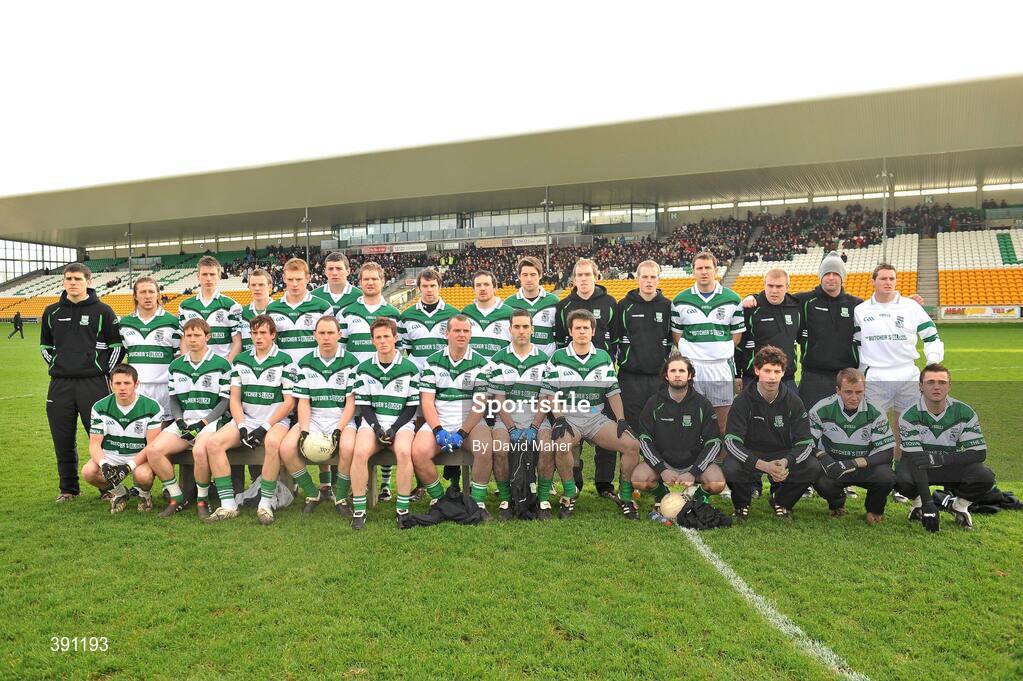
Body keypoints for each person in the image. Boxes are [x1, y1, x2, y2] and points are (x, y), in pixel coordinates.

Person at [542, 309, 642, 519]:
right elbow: (550, 393)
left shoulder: (603, 357)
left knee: (632, 445)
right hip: (569, 417)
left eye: (586, 328)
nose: (582, 331)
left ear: (593, 331)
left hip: (596, 418)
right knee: (561, 445)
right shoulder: (558, 357)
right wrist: (559, 418)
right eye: (577, 328)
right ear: (570, 331)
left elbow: (613, 392)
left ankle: (625, 495)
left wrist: (621, 419)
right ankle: (569, 493)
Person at [134, 318, 233, 519]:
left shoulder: (222, 364)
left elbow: (224, 402)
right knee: (153, 450)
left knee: (199, 451)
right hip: (184, 422)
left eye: (197, 335)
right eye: (189, 335)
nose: (192, 339)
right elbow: (174, 399)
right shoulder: (176, 365)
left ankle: (202, 500)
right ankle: (177, 497)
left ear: (207, 337)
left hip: (210, 423)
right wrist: (179, 421)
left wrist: (202, 423)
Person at [264, 315, 360, 524]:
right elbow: (304, 402)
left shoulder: (351, 361)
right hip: (313, 418)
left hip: (340, 418)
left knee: (348, 448)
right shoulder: (305, 362)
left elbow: (351, 403)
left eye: (330, 333)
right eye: (322, 333)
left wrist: (339, 429)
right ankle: (311, 493)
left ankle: (341, 497)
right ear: (314, 335)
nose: (326, 337)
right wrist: (305, 430)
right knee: (286, 448)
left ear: (339, 334)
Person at [41, 263, 123, 503]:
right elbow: (45, 347)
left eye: (78, 278)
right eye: (68, 278)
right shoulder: (52, 312)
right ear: (63, 282)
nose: (73, 283)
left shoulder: (103, 311)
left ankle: (108, 488)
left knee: (100, 438)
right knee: (62, 438)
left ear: (89, 281)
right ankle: (68, 489)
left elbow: (117, 347)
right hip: (60, 384)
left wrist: (101, 369)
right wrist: (60, 364)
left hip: (93, 383)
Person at [203, 315, 296, 523]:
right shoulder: (241, 360)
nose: (258, 337)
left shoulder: (285, 360)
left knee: (273, 443)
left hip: (276, 421)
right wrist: (243, 426)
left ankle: (265, 504)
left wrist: (264, 428)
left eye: (263, 333)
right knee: (213, 443)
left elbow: (289, 403)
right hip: (247, 419)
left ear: (273, 335)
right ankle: (228, 505)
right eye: (254, 333)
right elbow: (235, 399)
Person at [411, 315, 495, 520]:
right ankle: (441, 501)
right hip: (440, 419)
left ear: (471, 334)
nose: (461, 335)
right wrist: (438, 430)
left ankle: (477, 503)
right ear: (447, 333)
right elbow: (427, 402)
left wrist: (462, 433)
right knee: (418, 452)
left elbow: (479, 405)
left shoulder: (482, 363)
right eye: (457, 330)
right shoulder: (432, 361)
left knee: (484, 449)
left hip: (470, 422)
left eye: (466, 331)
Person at [722, 346, 820, 521]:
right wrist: (762, 465)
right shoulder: (742, 401)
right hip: (752, 452)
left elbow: (806, 443)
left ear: (783, 373)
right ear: (757, 370)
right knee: (730, 466)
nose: (772, 377)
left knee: (812, 466)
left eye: (777, 371)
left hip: (781, 453)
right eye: (767, 371)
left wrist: (786, 461)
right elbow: (731, 442)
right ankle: (742, 504)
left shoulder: (794, 402)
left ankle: (781, 501)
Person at [895, 364, 995, 532]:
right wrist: (927, 503)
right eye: (930, 382)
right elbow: (916, 460)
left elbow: (979, 453)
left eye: (942, 382)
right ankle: (918, 505)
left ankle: (959, 506)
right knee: (899, 479)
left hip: (949, 465)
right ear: (920, 386)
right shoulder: (909, 415)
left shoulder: (964, 412)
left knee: (984, 476)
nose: (936, 387)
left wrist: (940, 458)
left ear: (949, 386)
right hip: (919, 467)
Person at [267, 258, 333, 500]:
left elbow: (328, 340)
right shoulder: (273, 308)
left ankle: (325, 484)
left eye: (299, 279)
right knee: (287, 430)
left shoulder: (322, 306)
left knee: (318, 427)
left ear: (308, 278)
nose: (294, 284)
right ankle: (291, 482)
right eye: (290, 279)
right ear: (284, 279)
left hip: (314, 378)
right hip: (284, 380)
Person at [553, 258, 620, 499]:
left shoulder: (610, 303)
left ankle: (604, 484)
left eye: (587, 275)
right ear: (574, 278)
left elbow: (616, 340)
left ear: (596, 277)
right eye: (579, 275)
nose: (583, 279)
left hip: (601, 379)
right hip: (572, 382)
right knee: (573, 433)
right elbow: (560, 342)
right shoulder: (564, 306)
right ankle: (576, 483)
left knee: (606, 430)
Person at [338, 261, 402, 499]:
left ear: (383, 281)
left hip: (385, 383)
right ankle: (359, 484)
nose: (370, 283)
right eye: (366, 279)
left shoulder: (394, 313)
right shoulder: (347, 312)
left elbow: (399, 351)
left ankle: (384, 484)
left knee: (385, 427)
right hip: (357, 383)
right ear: (360, 282)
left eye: (375, 278)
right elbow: (341, 349)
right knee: (360, 432)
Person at [349, 318, 421, 530]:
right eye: (378, 337)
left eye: (386, 336)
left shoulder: (410, 368)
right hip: (373, 423)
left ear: (395, 338)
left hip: (402, 423)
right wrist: (377, 428)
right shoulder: (363, 368)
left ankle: (402, 510)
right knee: (359, 452)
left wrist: (394, 429)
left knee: (404, 452)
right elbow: (364, 406)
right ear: (372, 341)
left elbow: (411, 407)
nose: (382, 341)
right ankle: (359, 510)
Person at [632, 352, 725, 513]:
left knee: (717, 483)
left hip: (694, 463)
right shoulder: (654, 403)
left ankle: (696, 498)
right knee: (639, 480)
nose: (677, 375)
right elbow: (644, 439)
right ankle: (662, 495)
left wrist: (693, 472)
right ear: (666, 375)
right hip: (664, 462)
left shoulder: (702, 404)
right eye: (673, 371)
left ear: (689, 375)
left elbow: (714, 443)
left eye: (682, 371)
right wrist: (662, 469)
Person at [489, 309, 556, 519]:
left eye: (525, 326)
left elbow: (545, 399)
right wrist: (511, 429)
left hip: (536, 417)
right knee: (500, 449)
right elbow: (499, 400)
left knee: (546, 448)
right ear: (510, 329)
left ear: (532, 329)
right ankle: (506, 499)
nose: (521, 331)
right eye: (517, 327)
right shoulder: (498, 359)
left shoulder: (544, 360)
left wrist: (534, 427)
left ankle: (543, 500)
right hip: (506, 417)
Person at [854, 263, 943, 420]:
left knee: (908, 424)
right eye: (883, 278)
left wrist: (932, 362)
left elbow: (931, 337)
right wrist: (859, 371)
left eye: (892, 278)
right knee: (872, 423)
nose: (888, 282)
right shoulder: (860, 310)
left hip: (908, 374)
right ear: (873, 281)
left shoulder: (911, 306)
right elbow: (857, 344)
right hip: (876, 376)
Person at [809, 369, 895, 524]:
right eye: (848, 392)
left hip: (865, 465)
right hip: (835, 465)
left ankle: (874, 510)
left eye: (859, 392)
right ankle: (837, 503)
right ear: (838, 390)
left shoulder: (875, 411)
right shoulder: (822, 408)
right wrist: (823, 456)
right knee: (822, 482)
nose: (854, 398)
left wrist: (853, 463)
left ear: (864, 390)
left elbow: (888, 453)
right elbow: (806, 443)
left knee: (886, 476)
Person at [671, 251, 744, 434]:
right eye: (699, 268)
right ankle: (693, 453)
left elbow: (736, 336)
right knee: (690, 419)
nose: (704, 272)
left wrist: (719, 351)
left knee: (723, 423)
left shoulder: (733, 299)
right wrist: (692, 354)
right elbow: (677, 335)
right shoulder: (679, 300)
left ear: (716, 270)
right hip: (693, 367)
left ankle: (720, 454)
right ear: (693, 271)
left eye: (708, 268)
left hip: (720, 366)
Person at [86, 365, 159, 513]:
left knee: (143, 476)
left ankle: (144, 495)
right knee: (89, 472)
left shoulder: (152, 406)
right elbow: (94, 444)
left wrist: (128, 467)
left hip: (140, 456)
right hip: (112, 455)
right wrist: (104, 465)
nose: (122, 388)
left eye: (127, 383)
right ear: (110, 384)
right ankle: (120, 493)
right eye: (118, 383)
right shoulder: (99, 407)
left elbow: (152, 446)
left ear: (136, 384)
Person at [614, 259, 673, 439]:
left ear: (658, 280)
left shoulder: (667, 306)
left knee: (660, 430)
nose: (649, 281)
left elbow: (671, 341)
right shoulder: (624, 305)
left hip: (658, 378)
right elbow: (616, 339)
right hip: (630, 378)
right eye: (645, 277)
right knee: (631, 432)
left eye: (653, 277)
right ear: (637, 278)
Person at [118, 277, 180, 424]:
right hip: (136, 387)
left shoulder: (172, 322)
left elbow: (178, 357)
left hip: (164, 387)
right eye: (143, 292)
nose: (147, 296)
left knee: (164, 432)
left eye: (151, 291)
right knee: (137, 430)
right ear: (135, 296)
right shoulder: (125, 323)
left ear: (158, 294)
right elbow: (127, 351)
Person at [735, 269, 800, 393]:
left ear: (787, 287)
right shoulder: (751, 308)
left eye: (779, 286)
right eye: (770, 286)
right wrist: (737, 375)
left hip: (787, 379)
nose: (774, 290)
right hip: (755, 379)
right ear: (764, 285)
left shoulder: (795, 307)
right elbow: (738, 345)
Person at [177, 255, 242, 362]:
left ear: (219, 276)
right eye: (204, 274)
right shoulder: (185, 306)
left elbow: (237, 342)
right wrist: (187, 365)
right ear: (198, 276)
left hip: (221, 367)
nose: (208, 278)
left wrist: (226, 367)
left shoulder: (231, 305)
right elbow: (183, 341)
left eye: (212, 274)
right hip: (194, 367)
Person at [399, 267, 458, 371]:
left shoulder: (454, 314)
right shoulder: (406, 316)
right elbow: (406, 349)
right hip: (417, 374)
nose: (429, 290)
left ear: (440, 286)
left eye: (432, 285)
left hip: (445, 372)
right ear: (419, 288)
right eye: (425, 286)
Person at [504, 256, 560, 356]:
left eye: (533, 274)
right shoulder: (509, 303)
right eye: (525, 275)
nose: (529, 279)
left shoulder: (553, 301)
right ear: (519, 276)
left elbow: (558, 333)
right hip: (519, 360)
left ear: (540, 275)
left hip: (547, 360)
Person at [310, 251, 362, 316]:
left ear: (348, 271)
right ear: (325, 272)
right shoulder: (313, 296)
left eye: (339, 269)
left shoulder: (360, 297)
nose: (334, 273)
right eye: (330, 269)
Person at [239, 267, 275, 353]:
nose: (257, 288)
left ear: (270, 287)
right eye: (253, 285)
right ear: (249, 287)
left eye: (261, 285)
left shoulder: (279, 311)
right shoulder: (241, 313)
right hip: (247, 360)